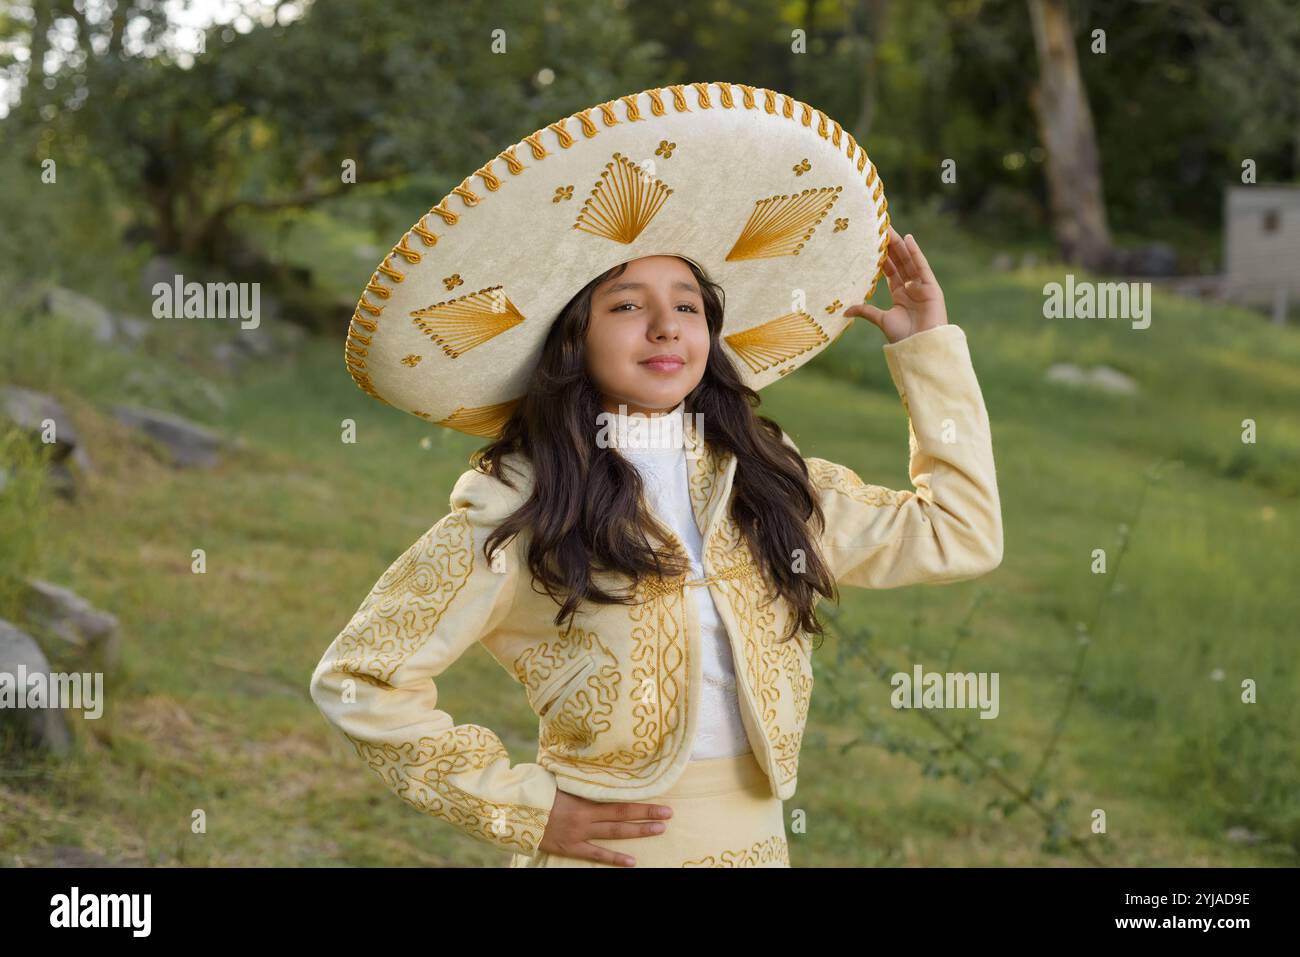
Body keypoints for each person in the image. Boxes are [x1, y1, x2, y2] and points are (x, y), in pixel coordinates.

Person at [308, 82, 1002, 868]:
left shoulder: (768, 481)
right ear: (572, 342)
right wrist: (522, 810)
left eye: (689, 307)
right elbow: (362, 676)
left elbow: (961, 535)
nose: (668, 324)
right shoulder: (524, 497)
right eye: (627, 305)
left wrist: (929, 353)